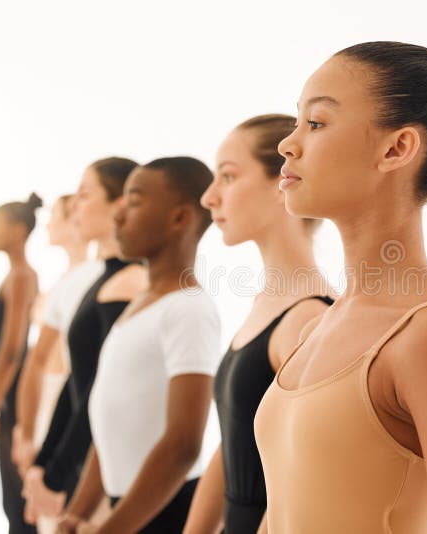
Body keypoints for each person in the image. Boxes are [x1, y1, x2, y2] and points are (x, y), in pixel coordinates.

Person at [253, 42, 427, 533]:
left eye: (316, 123)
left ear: (397, 149)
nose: (288, 144)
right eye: (297, 122)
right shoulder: (324, 321)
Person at [55, 157, 221, 533]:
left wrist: (113, 528)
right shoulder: (138, 307)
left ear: (180, 218)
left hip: (166, 511)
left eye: (134, 202)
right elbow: (108, 424)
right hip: (130, 509)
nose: (118, 217)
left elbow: (183, 445)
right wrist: (78, 512)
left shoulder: (188, 310)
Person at [184, 115, 333, 534]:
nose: (209, 197)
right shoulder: (268, 306)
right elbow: (235, 440)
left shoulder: (310, 319)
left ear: (282, 179)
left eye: (228, 177)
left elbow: (302, 480)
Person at [23, 157, 145, 521]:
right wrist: (45, 464)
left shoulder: (129, 281)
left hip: (106, 471)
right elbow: (77, 381)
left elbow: (100, 390)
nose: (74, 205)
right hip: (86, 463)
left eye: (85, 195)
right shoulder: (101, 280)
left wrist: (56, 474)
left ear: (118, 203)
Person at [12, 194, 103, 533]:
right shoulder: (67, 279)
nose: (48, 224)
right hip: (50, 395)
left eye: (58, 216)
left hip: (62, 394)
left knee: (59, 489)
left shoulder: (88, 279)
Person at [0, 192, 43, 533]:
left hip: (17, 393)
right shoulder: (14, 276)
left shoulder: (22, 277)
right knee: (12, 495)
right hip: (10, 391)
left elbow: (12, 348)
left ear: (17, 230)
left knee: (18, 497)